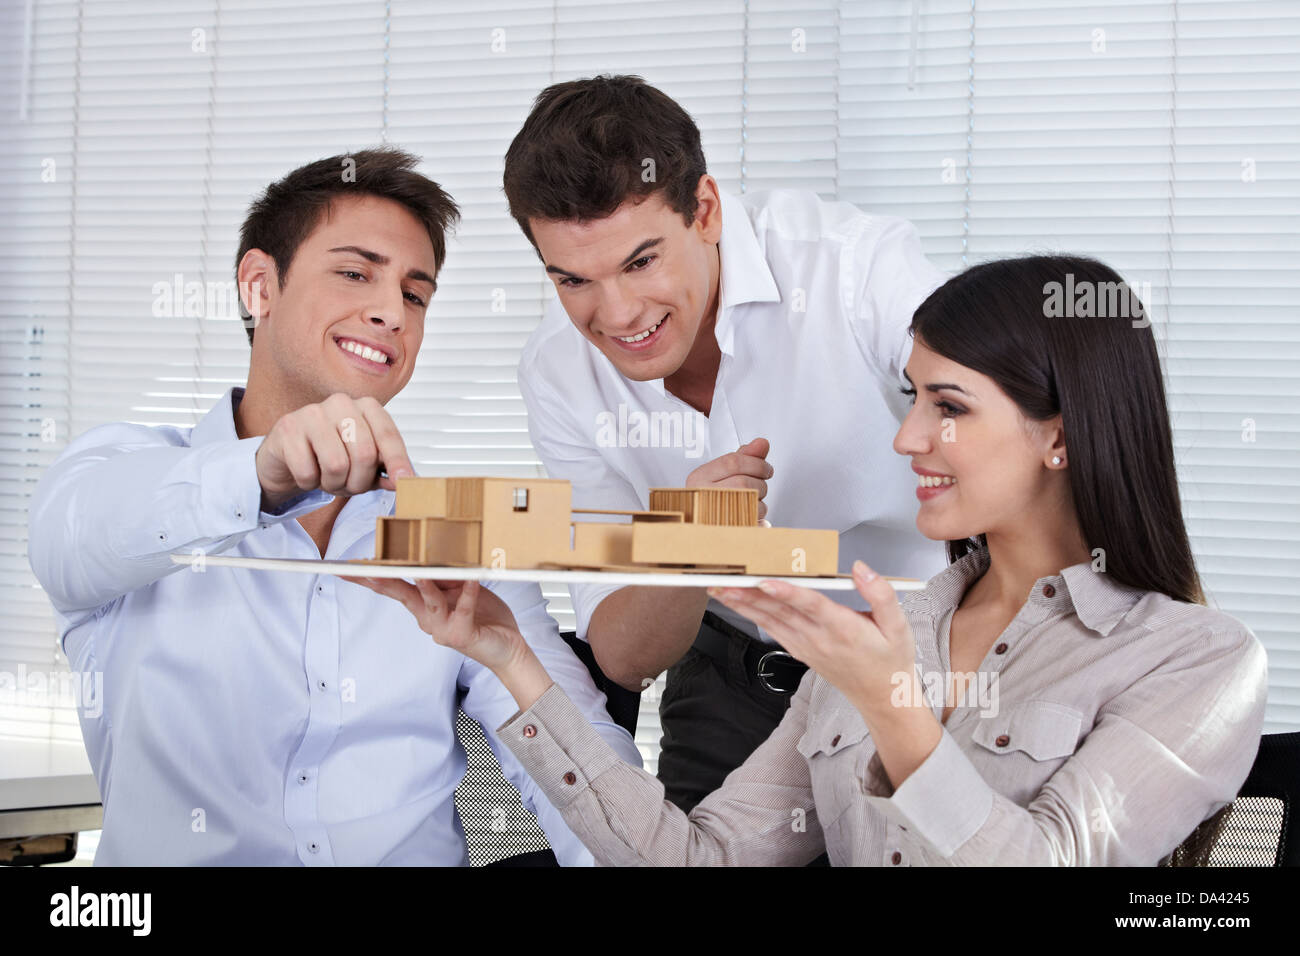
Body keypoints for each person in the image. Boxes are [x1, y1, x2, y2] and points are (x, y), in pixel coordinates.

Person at [348, 255, 1269, 865]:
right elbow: (697, 859)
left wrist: (894, 709)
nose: (907, 435)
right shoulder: (885, 635)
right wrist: (509, 658)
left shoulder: (1201, 661)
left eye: (948, 405)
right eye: (909, 396)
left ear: (1058, 435)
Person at [26, 146, 641, 866]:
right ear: (259, 285)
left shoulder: (453, 528)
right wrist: (266, 473)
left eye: (416, 295)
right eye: (355, 273)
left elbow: (587, 769)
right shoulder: (128, 471)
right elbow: (73, 542)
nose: (391, 312)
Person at [502, 74, 949, 814]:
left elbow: (1003, 410)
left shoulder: (850, 268)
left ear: (704, 210)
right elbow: (622, 652)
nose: (617, 313)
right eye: (573, 279)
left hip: (918, 657)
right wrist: (685, 550)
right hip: (731, 680)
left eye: (641, 262)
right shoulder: (555, 372)